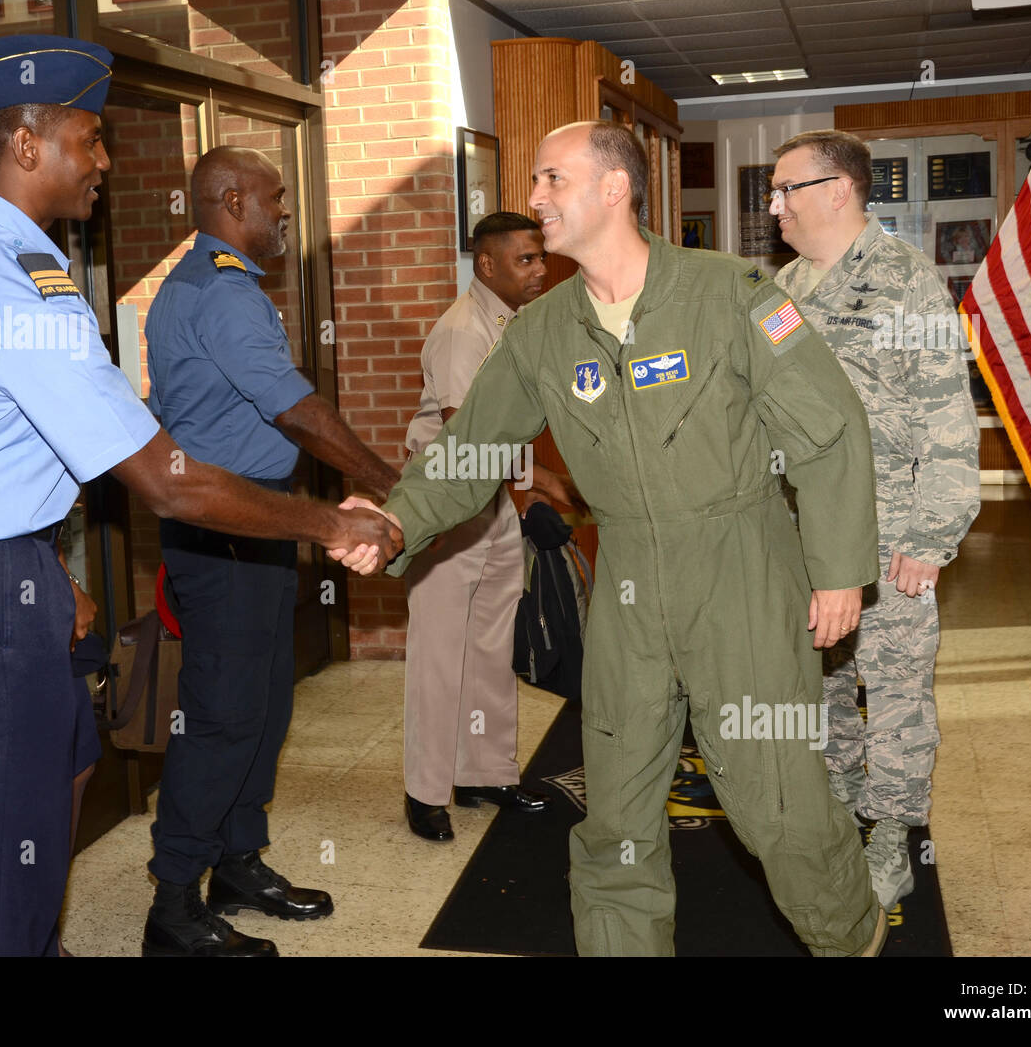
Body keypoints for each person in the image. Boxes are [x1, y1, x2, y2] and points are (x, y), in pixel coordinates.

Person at [0, 34, 398, 958]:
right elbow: (166, 483)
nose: (105, 160)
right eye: (90, 138)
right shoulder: (17, 283)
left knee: (64, 758)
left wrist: (44, 566)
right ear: (26, 144)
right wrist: (331, 521)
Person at [369, 120, 888, 957]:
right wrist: (396, 520)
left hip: (741, 575)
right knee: (615, 815)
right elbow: (472, 448)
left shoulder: (732, 293)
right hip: (628, 592)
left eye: (552, 178)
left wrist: (837, 573)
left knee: (777, 805)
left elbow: (828, 430)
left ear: (615, 189)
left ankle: (849, 936)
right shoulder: (541, 332)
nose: (534, 197)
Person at [142, 146, 402, 957]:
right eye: (274, 198)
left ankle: (237, 862)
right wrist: (389, 482)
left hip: (258, 524)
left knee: (263, 705)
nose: (284, 212)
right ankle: (174, 903)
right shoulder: (219, 291)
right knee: (223, 716)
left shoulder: (215, 284)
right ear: (231, 202)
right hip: (224, 531)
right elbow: (297, 412)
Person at [771, 129, 979, 909]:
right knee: (820, 677)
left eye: (787, 189)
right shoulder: (783, 288)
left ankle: (892, 831)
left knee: (894, 689)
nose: (775, 205)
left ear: (838, 190)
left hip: (889, 532)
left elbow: (948, 423)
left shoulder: (907, 282)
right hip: (801, 531)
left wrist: (931, 538)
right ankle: (838, 805)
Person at [401, 211, 578, 841]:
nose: (540, 270)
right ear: (486, 264)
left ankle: (484, 772)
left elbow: (508, 427)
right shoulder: (461, 331)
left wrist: (531, 491)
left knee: (491, 647)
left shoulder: (514, 323)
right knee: (439, 654)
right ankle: (425, 793)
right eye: (526, 259)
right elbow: (467, 433)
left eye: (541, 257)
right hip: (448, 507)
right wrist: (541, 490)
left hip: (493, 501)